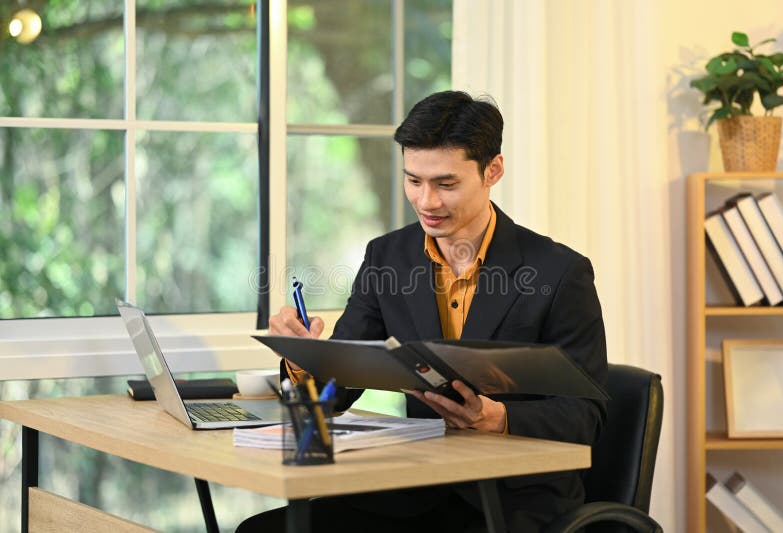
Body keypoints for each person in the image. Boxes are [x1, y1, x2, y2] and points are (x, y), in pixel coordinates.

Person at [237, 90, 607, 533]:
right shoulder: (387, 257)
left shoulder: (559, 271)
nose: (427, 201)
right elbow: (338, 397)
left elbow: (586, 416)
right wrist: (304, 363)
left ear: (493, 171)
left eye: (445, 184)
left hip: (514, 504)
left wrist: (498, 418)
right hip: (416, 491)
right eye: (414, 180)